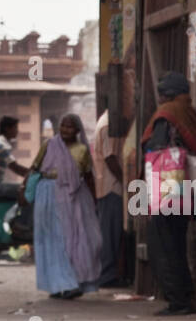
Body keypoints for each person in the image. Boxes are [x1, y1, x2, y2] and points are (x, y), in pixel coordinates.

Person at [142, 71, 196, 317]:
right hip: (189, 189)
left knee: (163, 243)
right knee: (177, 242)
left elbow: (159, 150)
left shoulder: (166, 114)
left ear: (165, 94)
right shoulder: (191, 113)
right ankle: (185, 298)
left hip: (169, 185)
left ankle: (178, 300)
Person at [28, 113, 102, 299]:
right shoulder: (49, 145)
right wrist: (24, 191)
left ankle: (73, 282)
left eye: (70, 127)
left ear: (77, 130)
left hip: (74, 198)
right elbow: (34, 169)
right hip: (48, 195)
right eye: (63, 126)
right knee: (52, 239)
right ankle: (56, 284)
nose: (65, 130)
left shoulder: (82, 150)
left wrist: (94, 200)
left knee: (74, 240)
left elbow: (88, 176)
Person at [92, 107, 125, 286]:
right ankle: (106, 275)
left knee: (112, 232)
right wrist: (126, 183)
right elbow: (110, 158)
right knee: (110, 233)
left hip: (112, 186)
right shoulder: (108, 125)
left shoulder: (109, 122)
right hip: (111, 186)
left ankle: (111, 273)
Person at [0, 116, 29, 201]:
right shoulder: (1, 145)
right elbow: (16, 168)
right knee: (27, 190)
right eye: (15, 128)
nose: (17, 131)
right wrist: (34, 175)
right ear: (7, 128)